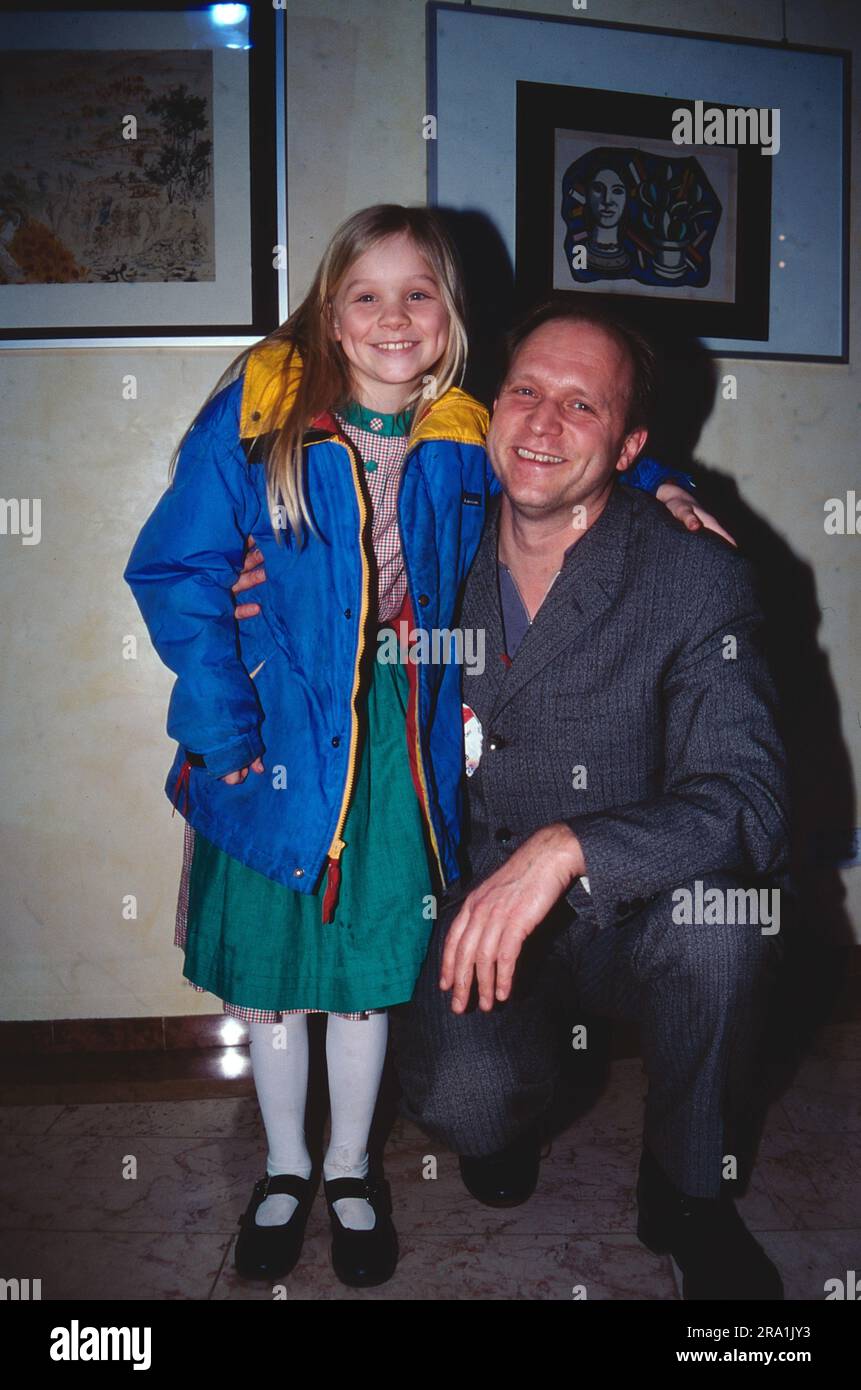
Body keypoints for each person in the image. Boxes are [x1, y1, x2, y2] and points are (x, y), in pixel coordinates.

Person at [124, 204, 720, 1291]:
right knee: (275, 982)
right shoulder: (261, 413)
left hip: (401, 745)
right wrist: (218, 726)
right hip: (272, 738)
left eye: (420, 293)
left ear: (450, 318)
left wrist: (659, 481)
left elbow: (573, 441)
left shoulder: (465, 425)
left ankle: (352, 1168)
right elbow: (178, 571)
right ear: (330, 313)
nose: (393, 316)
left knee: (362, 979)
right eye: (367, 293)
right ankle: (286, 1167)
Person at [387, 302, 790, 1302]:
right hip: (481, 918)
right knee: (465, 1102)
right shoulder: (431, 545)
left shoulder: (694, 574)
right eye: (524, 390)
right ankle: (516, 1103)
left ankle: (690, 1187)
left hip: (633, 912)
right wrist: (257, 579)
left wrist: (574, 845)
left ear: (631, 443)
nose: (542, 423)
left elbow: (751, 799)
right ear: (486, 410)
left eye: (582, 404)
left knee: (725, 922)